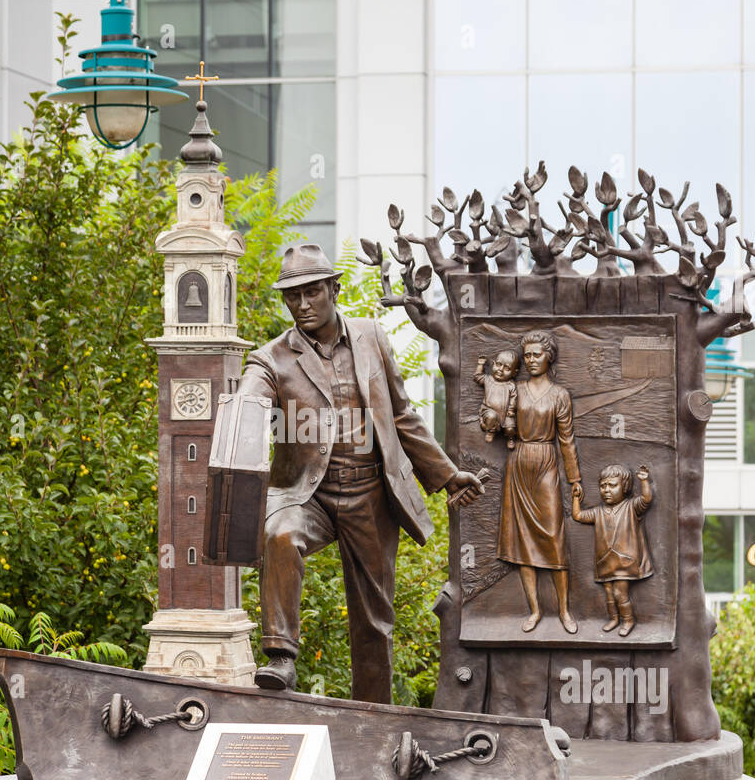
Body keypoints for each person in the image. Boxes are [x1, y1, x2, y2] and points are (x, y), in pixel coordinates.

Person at [234, 244, 484, 703]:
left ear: (334, 288)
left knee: (373, 621)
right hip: (308, 495)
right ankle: (280, 657)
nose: (303, 304)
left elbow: (404, 416)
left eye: (312, 292)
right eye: (293, 297)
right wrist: (245, 405)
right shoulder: (271, 359)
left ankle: (374, 717)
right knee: (280, 535)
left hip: (370, 494)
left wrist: (448, 475)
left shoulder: (372, 338)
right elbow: (252, 393)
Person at [496, 330, 581, 634]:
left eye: (537, 354)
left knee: (554, 538)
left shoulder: (560, 395)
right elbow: (495, 416)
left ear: (549, 357)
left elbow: (567, 439)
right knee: (522, 542)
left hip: (546, 462)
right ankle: (534, 610)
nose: (531, 360)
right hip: (518, 462)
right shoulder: (515, 390)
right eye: (527, 355)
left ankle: (564, 611)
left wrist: (574, 478)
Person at [572, 463, 654, 636]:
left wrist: (645, 481)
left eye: (612, 485)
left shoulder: (631, 506)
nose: (606, 490)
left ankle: (628, 620)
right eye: (603, 486)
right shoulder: (598, 512)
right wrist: (575, 498)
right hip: (605, 562)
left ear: (624, 487)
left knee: (619, 593)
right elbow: (578, 516)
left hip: (625, 561)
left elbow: (646, 499)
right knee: (609, 593)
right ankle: (614, 618)